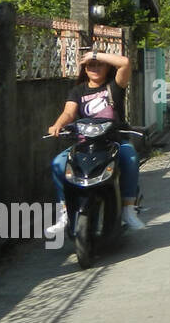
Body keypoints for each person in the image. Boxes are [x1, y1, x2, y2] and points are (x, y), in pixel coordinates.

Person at [46, 49, 145, 235]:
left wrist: (94, 55)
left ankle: (128, 209)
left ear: (107, 67)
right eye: (91, 65)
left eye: (100, 64)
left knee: (130, 158)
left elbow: (125, 62)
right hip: (85, 145)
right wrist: (58, 125)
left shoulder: (114, 85)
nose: (95, 68)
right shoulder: (78, 91)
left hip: (113, 142)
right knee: (58, 163)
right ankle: (64, 213)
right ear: (84, 69)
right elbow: (69, 113)